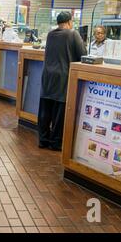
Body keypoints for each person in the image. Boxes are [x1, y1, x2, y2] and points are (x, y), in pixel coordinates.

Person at [38, 11, 87, 151]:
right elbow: (83, 55)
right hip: (63, 77)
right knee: (59, 112)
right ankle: (56, 143)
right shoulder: (73, 34)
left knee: (45, 110)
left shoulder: (50, 34)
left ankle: (43, 140)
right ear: (69, 22)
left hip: (47, 75)